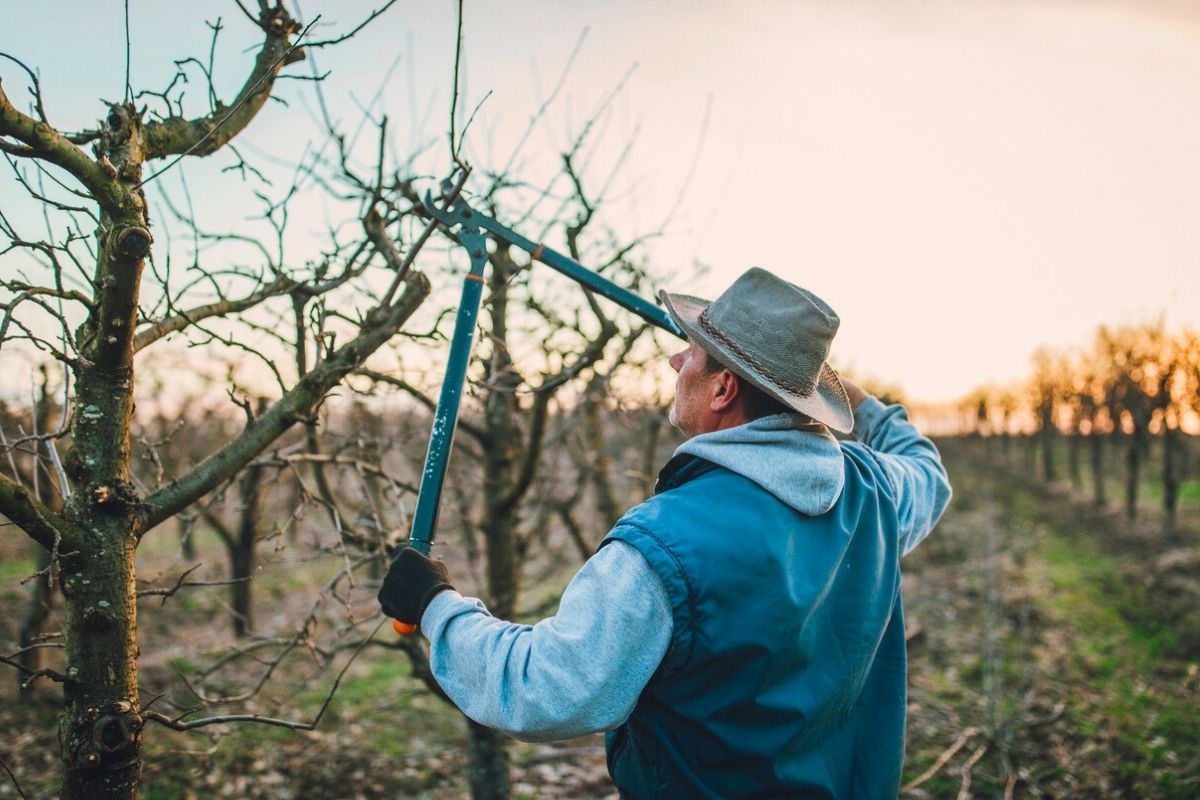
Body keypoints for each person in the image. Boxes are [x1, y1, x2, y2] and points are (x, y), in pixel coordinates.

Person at [379, 267, 952, 799]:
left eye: (693, 353)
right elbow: (928, 472)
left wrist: (434, 606)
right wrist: (859, 403)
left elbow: (545, 689)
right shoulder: (875, 489)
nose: (677, 362)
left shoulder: (665, 546)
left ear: (724, 389)